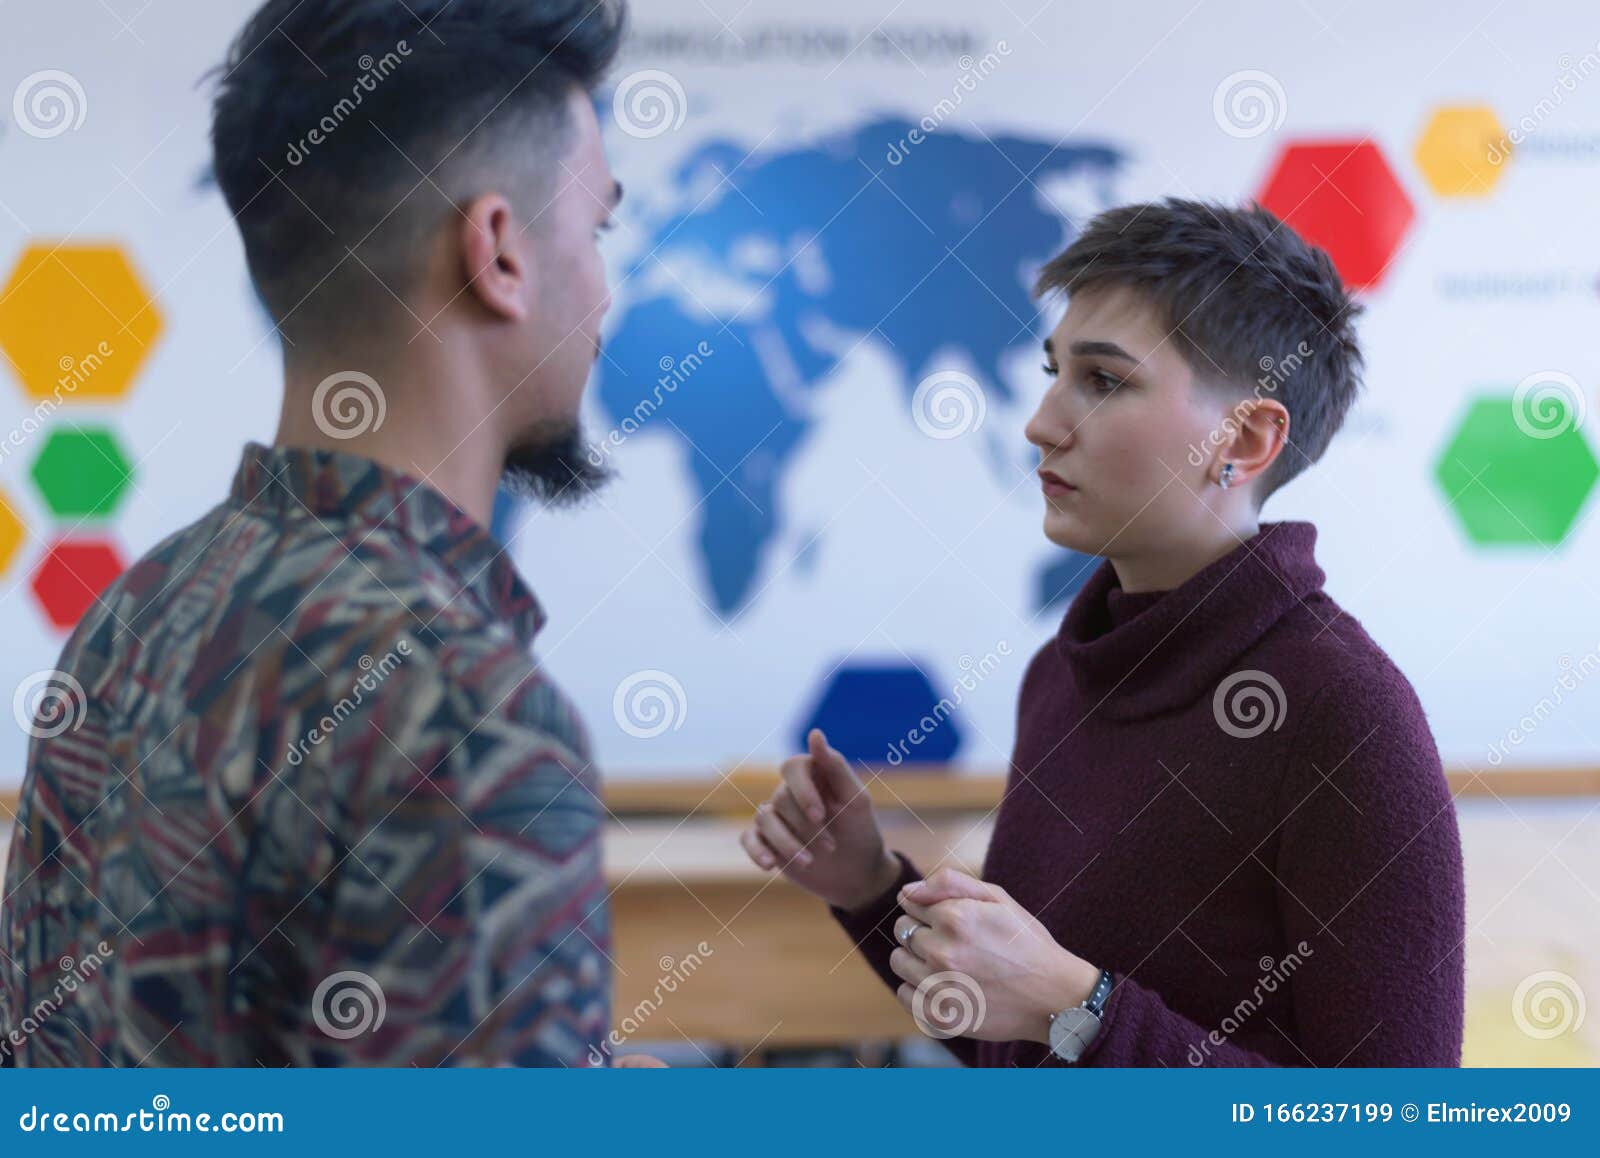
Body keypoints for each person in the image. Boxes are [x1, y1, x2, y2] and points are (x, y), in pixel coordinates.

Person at [1, 0, 633, 1066]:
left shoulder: (135, 613)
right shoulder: (471, 721)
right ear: (499, 252)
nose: (606, 291)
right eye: (597, 230)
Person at [742, 198, 1467, 1067]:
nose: (1042, 423)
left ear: (1246, 438)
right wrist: (866, 885)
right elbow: (1014, 1043)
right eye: (1056, 372)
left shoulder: (1344, 711)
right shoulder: (1064, 671)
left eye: (1104, 381)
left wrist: (1075, 1008)